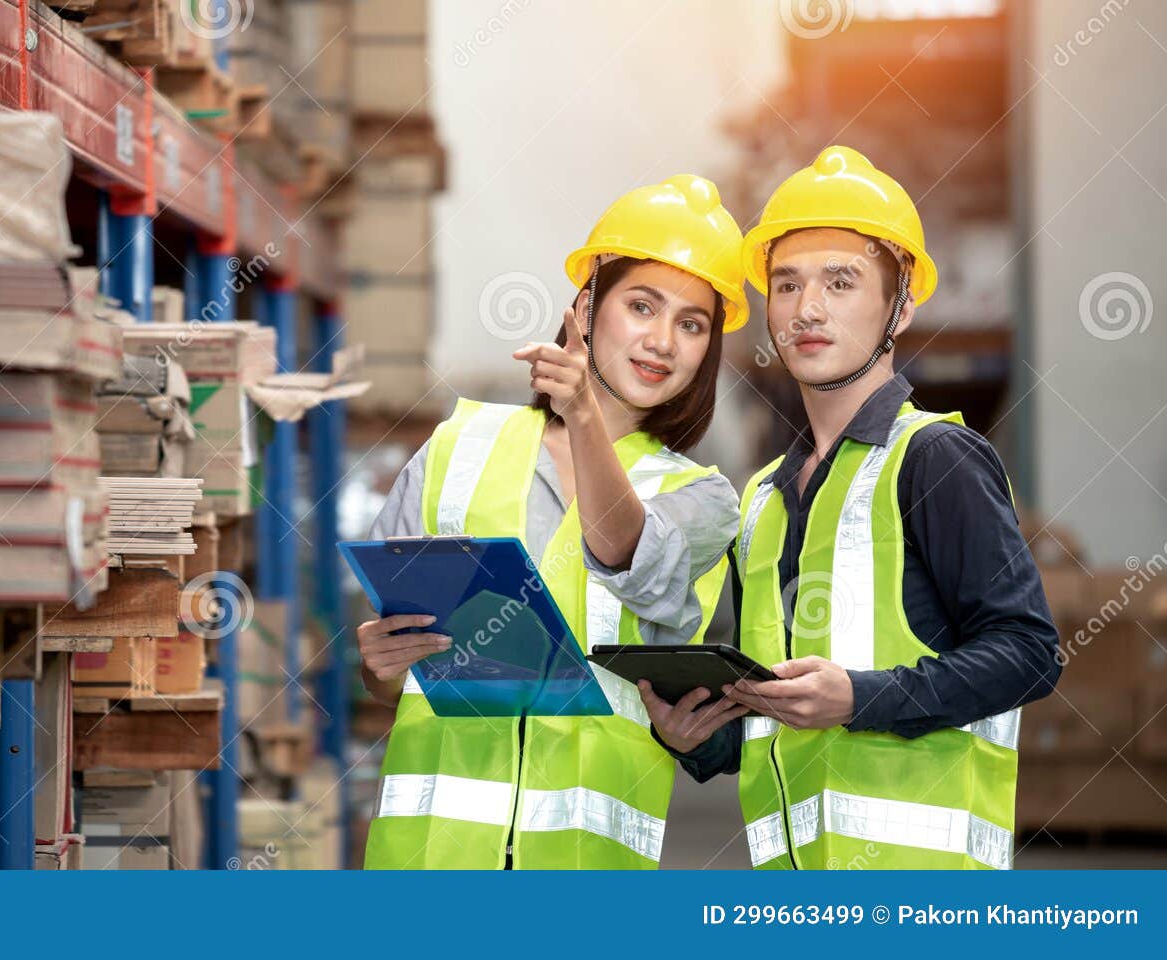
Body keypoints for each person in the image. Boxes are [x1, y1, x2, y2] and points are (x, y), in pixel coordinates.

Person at [639, 146, 1061, 870]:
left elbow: (1029, 654)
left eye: (841, 283)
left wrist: (860, 698)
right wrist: (697, 737)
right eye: (786, 284)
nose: (807, 310)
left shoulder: (934, 460)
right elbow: (776, 714)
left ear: (901, 305)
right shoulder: (765, 497)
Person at [357, 175, 751, 869]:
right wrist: (379, 665)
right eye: (641, 306)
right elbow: (390, 659)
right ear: (585, 307)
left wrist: (585, 419)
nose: (662, 340)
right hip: (429, 861)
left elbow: (623, 548)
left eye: (691, 324)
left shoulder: (701, 497)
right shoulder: (459, 445)